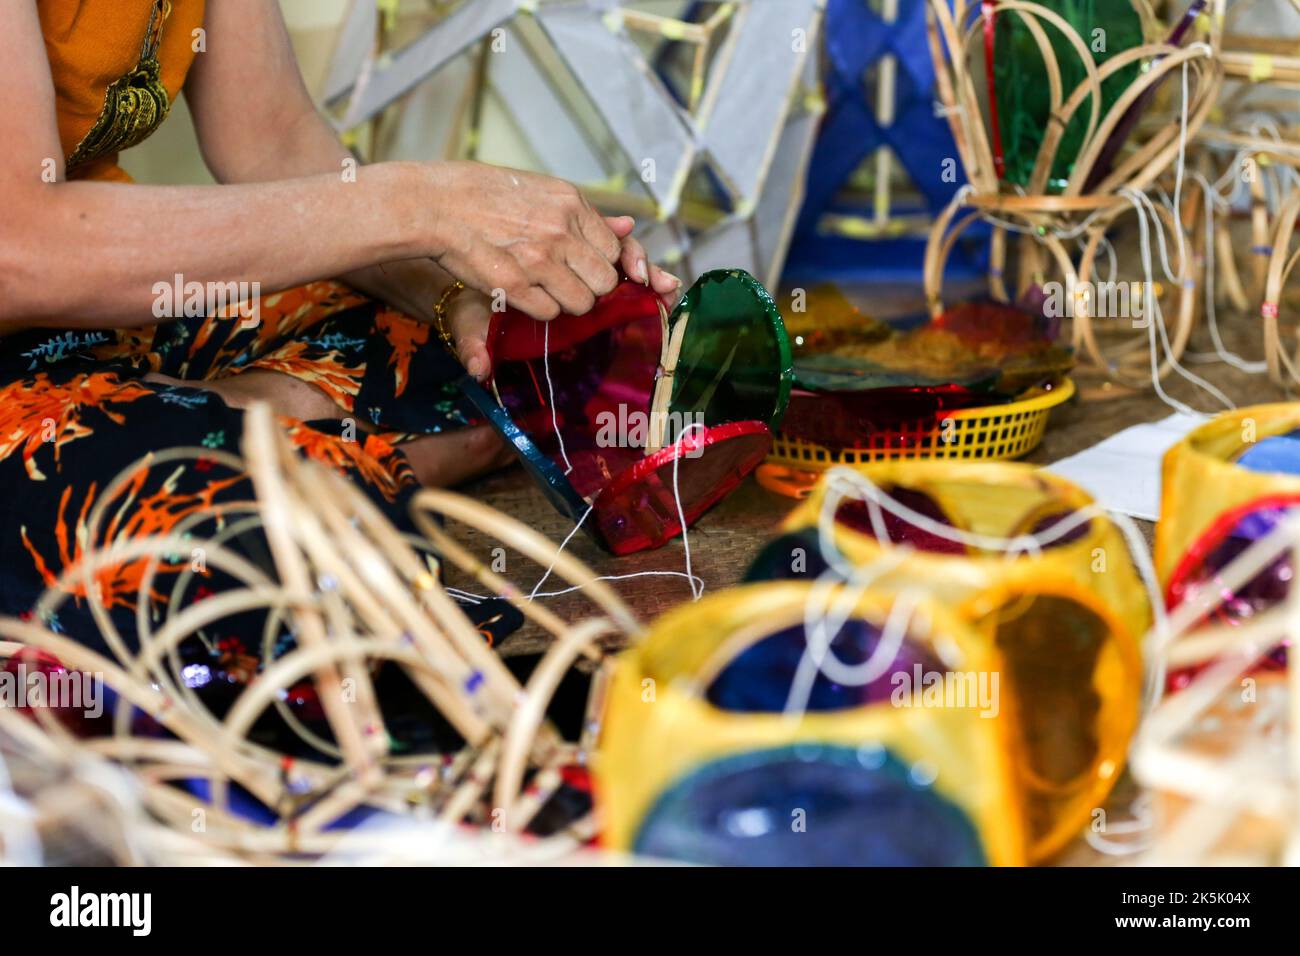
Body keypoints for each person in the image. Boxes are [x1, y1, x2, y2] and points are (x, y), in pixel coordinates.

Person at [0, 0, 680, 650]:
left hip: (92, 318)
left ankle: (230, 421)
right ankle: (266, 440)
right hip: (38, 296)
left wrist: (459, 296)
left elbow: (274, 143)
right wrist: (423, 204)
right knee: (286, 556)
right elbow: (19, 252)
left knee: (518, 366)